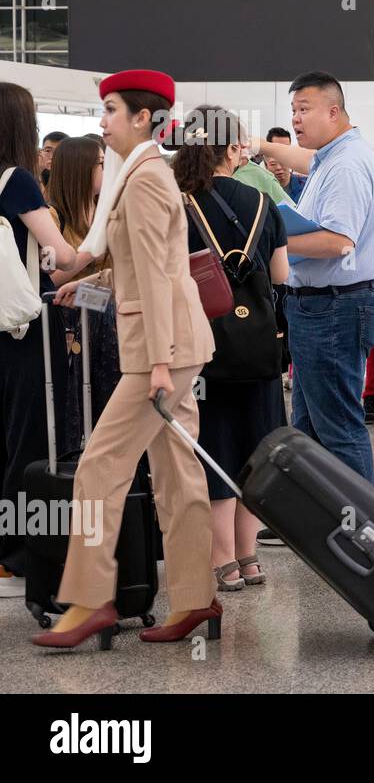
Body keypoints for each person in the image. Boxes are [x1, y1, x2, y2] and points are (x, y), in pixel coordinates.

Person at [38, 69, 219, 647]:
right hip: (178, 344)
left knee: (99, 467)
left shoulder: (141, 180)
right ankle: (196, 599)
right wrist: (96, 282)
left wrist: (161, 363)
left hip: (159, 352)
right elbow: (148, 264)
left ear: (143, 116)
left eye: (112, 109)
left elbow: (162, 276)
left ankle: (91, 601)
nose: (102, 121)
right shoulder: (142, 174)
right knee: (176, 472)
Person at [251, 71, 374, 484]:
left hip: (335, 306)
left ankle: (359, 529)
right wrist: (259, 145)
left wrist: (273, 242)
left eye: (303, 110)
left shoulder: (347, 165)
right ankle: (310, 519)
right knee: (309, 423)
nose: (295, 120)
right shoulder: (336, 154)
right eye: (292, 110)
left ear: (333, 112)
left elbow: (336, 243)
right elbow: (306, 160)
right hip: (326, 304)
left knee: (337, 426)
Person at [174, 106, 289, 592]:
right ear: (228, 149)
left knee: (215, 448)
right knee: (256, 449)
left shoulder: (180, 204)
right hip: (260, 346)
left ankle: (221, 560)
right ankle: (250, 556)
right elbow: (281, 276)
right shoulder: (263, 201)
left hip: (206, 345)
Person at [0, 87, 87, 599]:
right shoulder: (20, 183)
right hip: (25, 329)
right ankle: (14, 556)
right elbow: (63, 256)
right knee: (28, 438)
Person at [47, 136, 122, 441]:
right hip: (70, 328)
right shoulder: (54, 217)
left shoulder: (107, 211)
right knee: (75, 410)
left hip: (112, 325)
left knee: (113, 412)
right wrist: (89, 252)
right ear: (81, 169)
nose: (107, 170)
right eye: (101, 164)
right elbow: (48, 281)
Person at [263, 127, 306, 203]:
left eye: (286, 149)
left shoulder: (305, 185)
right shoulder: (260, 188)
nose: (279, 167)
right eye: (278, 148)